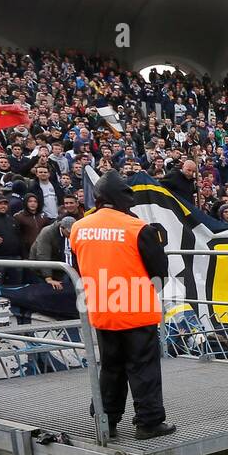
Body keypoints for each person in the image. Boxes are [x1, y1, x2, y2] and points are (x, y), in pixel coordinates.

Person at [69, 170, 174, 439]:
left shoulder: (79, 227)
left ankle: (107, 421)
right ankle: (148, 422)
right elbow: (160, 271)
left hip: (102, 308)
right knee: (143, 368)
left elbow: (78, 266)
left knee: (111, 367)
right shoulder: (137, 228)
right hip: (136, 309)